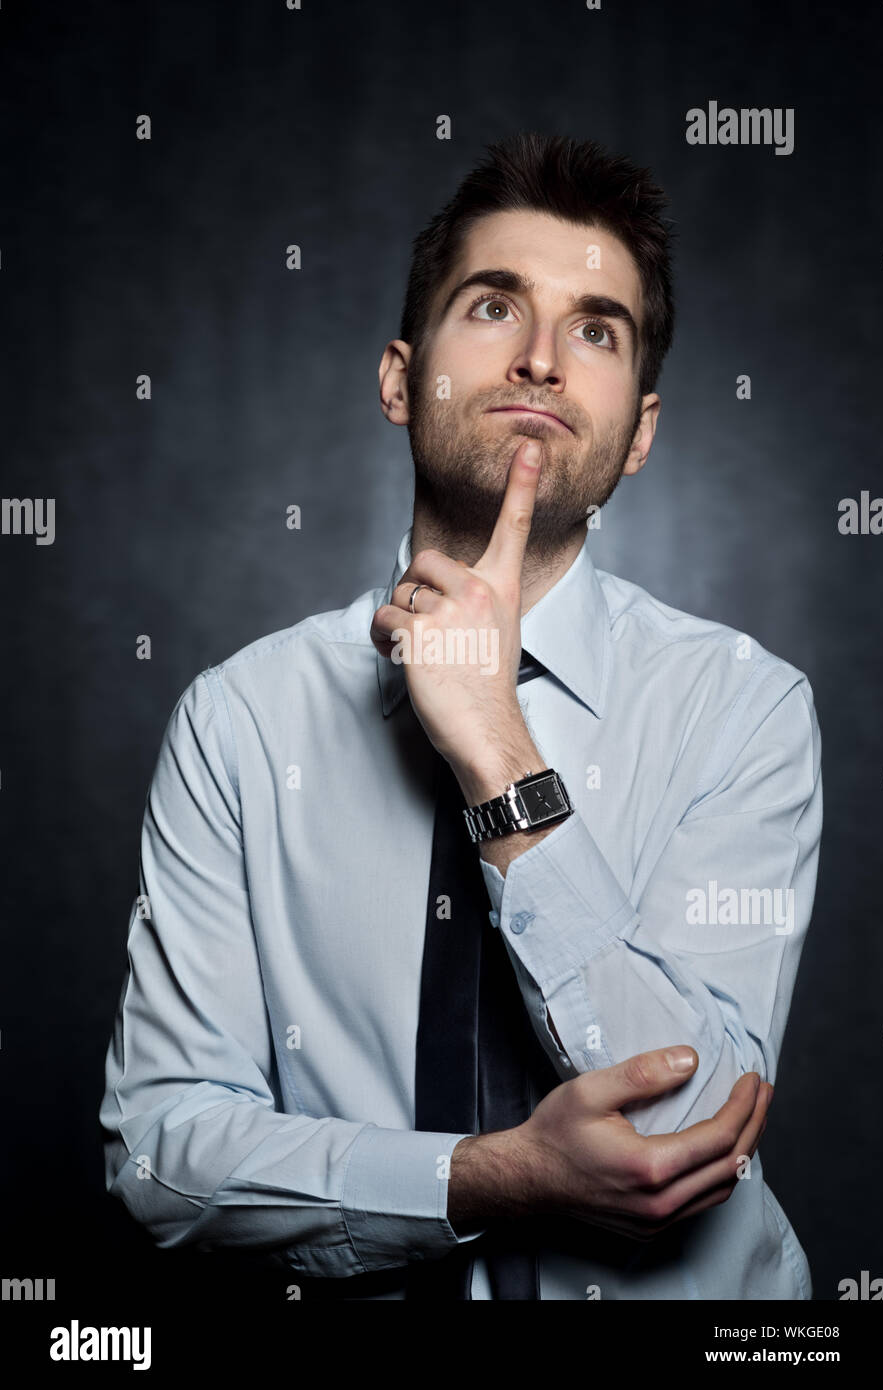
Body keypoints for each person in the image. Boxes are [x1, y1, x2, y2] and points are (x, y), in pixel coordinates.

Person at [100, 131, 820, 1300]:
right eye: (494, 306)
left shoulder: (740, 706)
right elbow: (159, 1156)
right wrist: (484, 1178)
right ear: (398, 380)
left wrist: (495, 748)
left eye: (595, 329)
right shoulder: (239, 722)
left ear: (636, 433)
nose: (539, 358)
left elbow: (688, 1124)